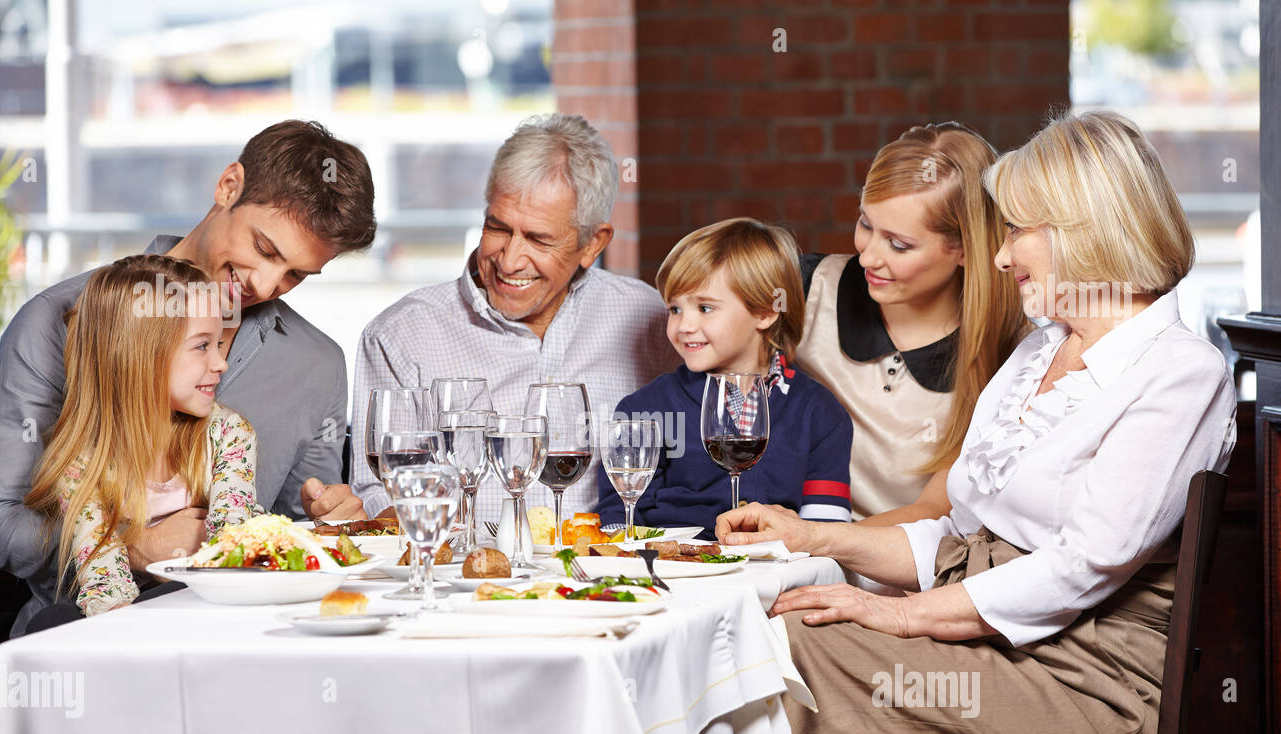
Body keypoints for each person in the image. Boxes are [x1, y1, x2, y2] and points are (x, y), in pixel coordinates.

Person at [716, 110, 1237, 734]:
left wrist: (898, 619)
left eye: (1020, 230)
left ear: (1083, 229)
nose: (1002, 259)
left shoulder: (1180, 373)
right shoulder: (1039, 351)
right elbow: (955, 535)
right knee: (788, 677)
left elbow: (1085, 564)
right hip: (999, 659)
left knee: (797, 657)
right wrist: (811, 536)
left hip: (1087, 686)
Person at [0, 119, 374, 636]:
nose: (265, 285)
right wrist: (132, 548)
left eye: (296, 275)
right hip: (86, 635)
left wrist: (327, 523)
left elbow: (289, 534)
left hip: (253, 637)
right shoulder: (58, 321)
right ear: (228, 186)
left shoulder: (318, 364)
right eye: (265, 248)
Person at [351, 113, 678, 519]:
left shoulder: (650, 321)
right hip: (465, 576)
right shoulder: (400, 335)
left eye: (539, 239)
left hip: (607, 575)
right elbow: (377, 495)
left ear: (593, 244)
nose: (509, 259)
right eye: (498, 228)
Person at [798, 122, 1028, 524]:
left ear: (963, 249)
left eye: (899, 244)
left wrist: (808, 544)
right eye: (865, 224)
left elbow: (931, 513)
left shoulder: (1014, 353)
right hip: (789, 554)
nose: (868, 257)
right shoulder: (804, 288)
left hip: (896, 570)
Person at [24, 256, 263, 622]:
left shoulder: (230, 434)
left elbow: (233, 546)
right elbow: (104, 582)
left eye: (219, 343)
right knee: (54, 620)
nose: (221, 363)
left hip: (207, 601)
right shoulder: (81, 463)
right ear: (141, 355)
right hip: (133, 616)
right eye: (202, 346)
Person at [594, 218, 852, 535]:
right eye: (674, 309)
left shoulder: (821, 413)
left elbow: (827, 533)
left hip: (783, 577)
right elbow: (620, 515)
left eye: (704, 308)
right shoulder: (642, 411)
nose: (684, 325)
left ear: (765, 312)